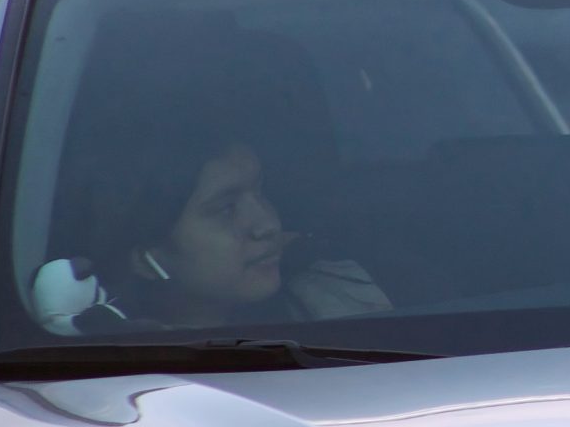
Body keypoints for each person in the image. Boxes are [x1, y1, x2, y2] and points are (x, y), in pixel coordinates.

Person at [37, 118, 388, 333]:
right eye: (226, 208)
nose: (267, 224)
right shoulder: (102, 359)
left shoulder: (337, 302)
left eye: (260, 191)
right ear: (146, 256)